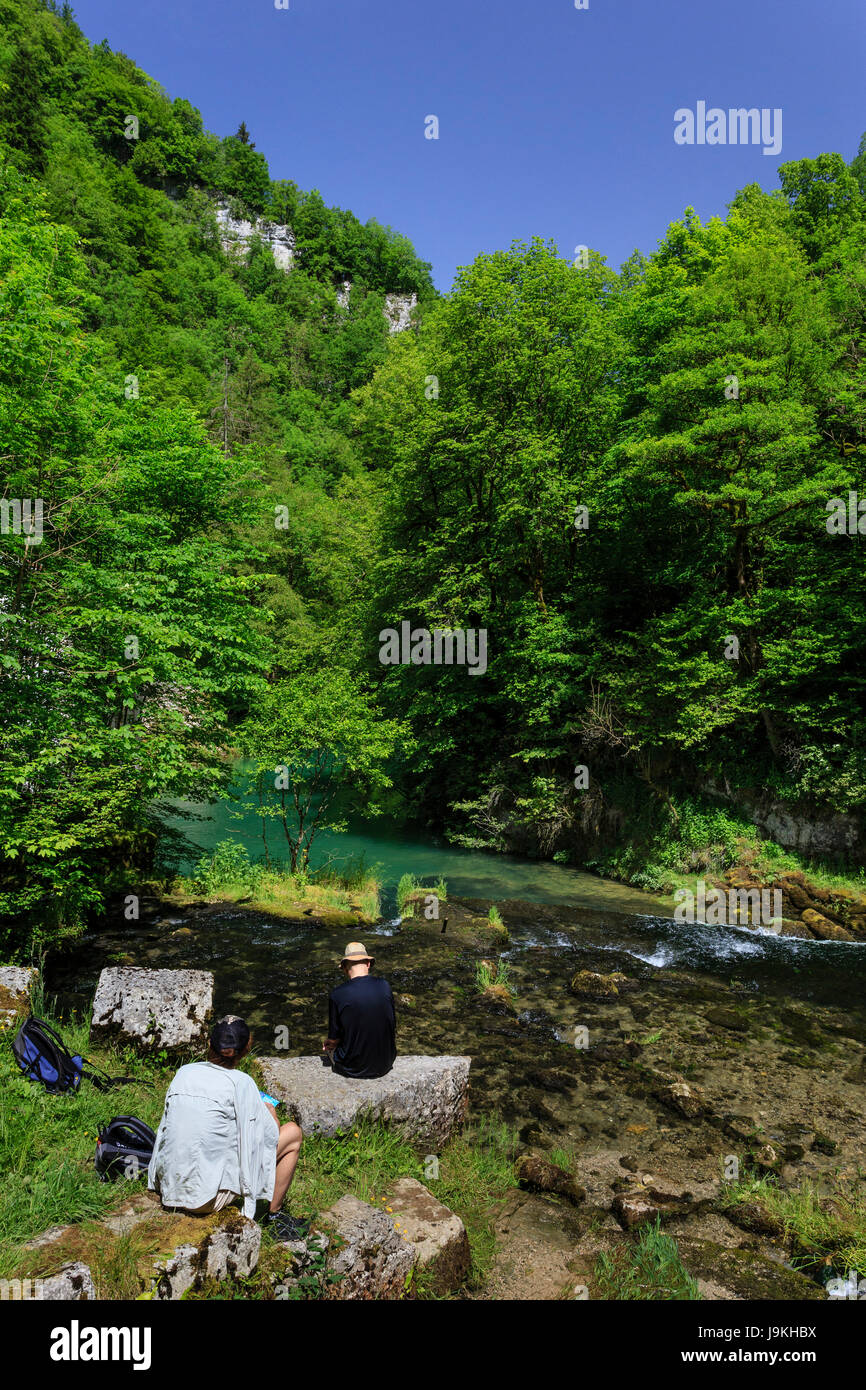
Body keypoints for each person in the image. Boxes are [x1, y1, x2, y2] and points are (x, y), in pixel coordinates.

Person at [148, 1015, 307, 1241]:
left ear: (210, 1044)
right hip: (205, 1199)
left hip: (169, 1186)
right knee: (292, 1133)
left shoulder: (184, 1073)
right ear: (244, 1051)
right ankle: (275, 1216)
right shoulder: (242, 1083)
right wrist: (270, 1111)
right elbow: (269, 1137)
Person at [323, 942, 396, 1079]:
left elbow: (334, 1039)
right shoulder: (385, 986)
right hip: (385, 1064)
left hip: (352, 1068)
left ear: (344, 968)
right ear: (368, 964)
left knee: (330, 1048)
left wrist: (330, 1043)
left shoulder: (337, 994)